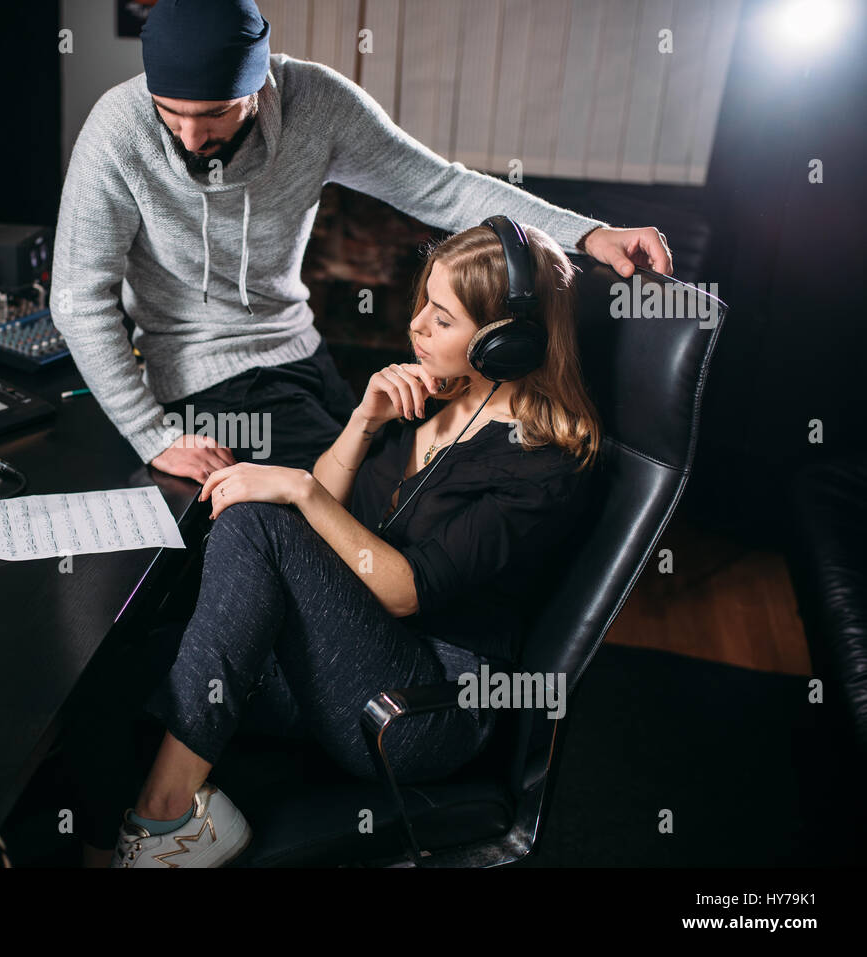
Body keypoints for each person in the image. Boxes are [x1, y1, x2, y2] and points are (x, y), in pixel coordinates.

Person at [107, 220, 601, 867]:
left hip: (422, 710)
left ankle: (169, 815)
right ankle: (115, 844)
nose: (418, 325)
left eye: (442, 317)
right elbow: (336, 520)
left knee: (259, 519)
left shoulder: (542, 464)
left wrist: (296, 489)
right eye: (423, 301)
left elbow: (402, 589)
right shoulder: (431, 400)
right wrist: (364, 421)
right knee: (129, 663)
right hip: (361, 656)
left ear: (506, 342)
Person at [49, 0, 670, 482]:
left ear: (259, 83)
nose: (189, 138)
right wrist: (151, 434)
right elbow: (79, 298)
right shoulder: (117, 130)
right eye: (170, 112)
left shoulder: (316, 103)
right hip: (196, 373)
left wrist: (588, 235)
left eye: (215, 113)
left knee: (392, 477)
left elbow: (443, 189)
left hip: (297, 345)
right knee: (348, 506)